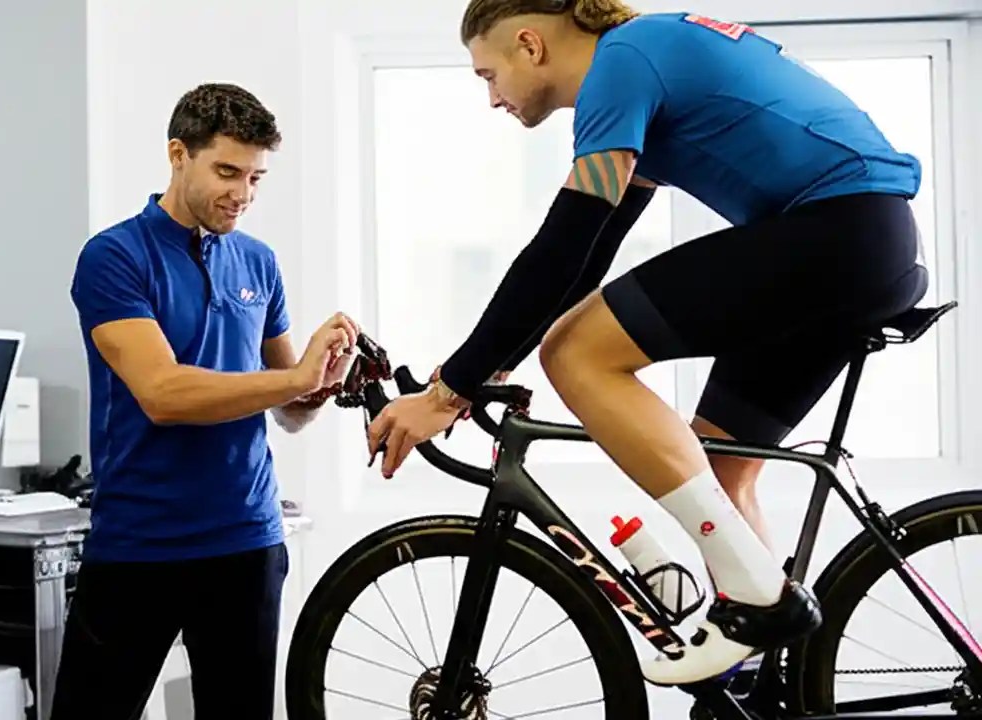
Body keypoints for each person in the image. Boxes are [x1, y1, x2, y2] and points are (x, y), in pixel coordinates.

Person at [367, 0, 928, 687]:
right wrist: (489, 367)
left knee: (574, 353)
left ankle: (757, 597)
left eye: (489, 75)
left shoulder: (622, 62)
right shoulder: (647, 61)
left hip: (837, 237)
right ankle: (759, 674)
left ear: (529, 44)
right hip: (863, 247)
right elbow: (595, 249)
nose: (491, 99)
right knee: (719, 466)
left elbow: (564, 241)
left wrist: (452, 387)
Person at [53, 83, 359, 718]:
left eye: (255, 178)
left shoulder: (258, 261)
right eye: (227, 171)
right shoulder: (113, 256)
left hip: (245, 542)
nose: (242, 195)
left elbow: (290, 410)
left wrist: (323, 379)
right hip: (140, 545)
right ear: (177, 154)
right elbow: (163, 394)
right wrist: (295, 380)